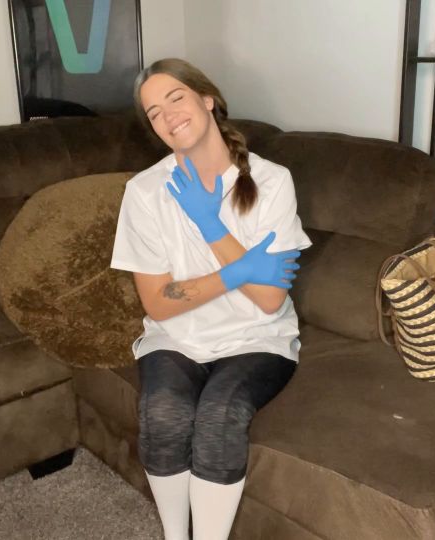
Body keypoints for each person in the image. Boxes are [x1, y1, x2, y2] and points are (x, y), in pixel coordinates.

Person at [109, 58, 312, 540]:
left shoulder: (272, 181)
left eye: (175, 98)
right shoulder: (144, 192)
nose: (167, 116)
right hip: (176, 337)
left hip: (257, 338)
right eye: (154, 112)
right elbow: (159, 305)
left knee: (220, 414)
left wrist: (209, 224)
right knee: (163, 411)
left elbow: (268, 300)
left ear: (207, 99)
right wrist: (241, 270)